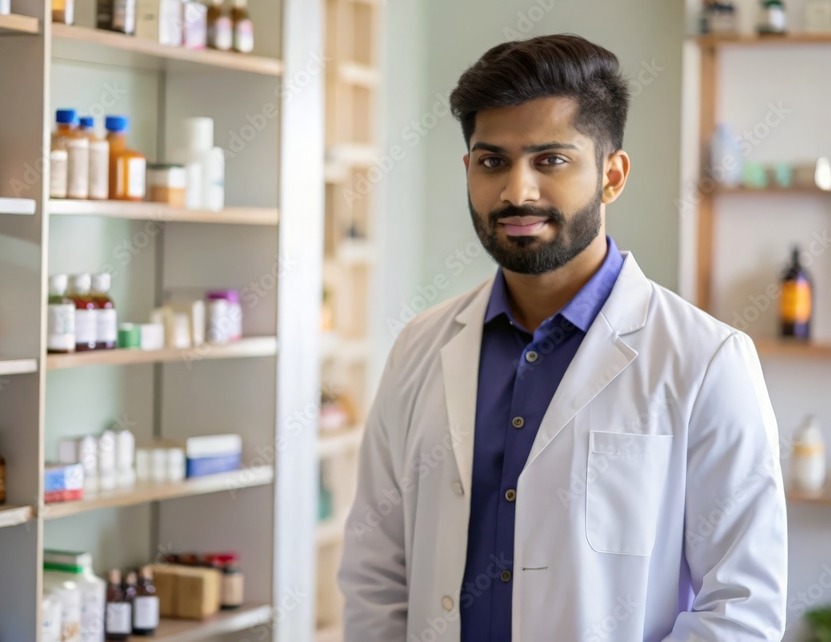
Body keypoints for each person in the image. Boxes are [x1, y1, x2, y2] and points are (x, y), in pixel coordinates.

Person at [337, 34, 787, 641]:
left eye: (550, 160)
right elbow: (375, 573)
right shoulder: (419, 348)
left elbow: (742, 607)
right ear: (468, 170)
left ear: (612, 176)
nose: (516, 192)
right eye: (492, 161)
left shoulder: (706, 362)